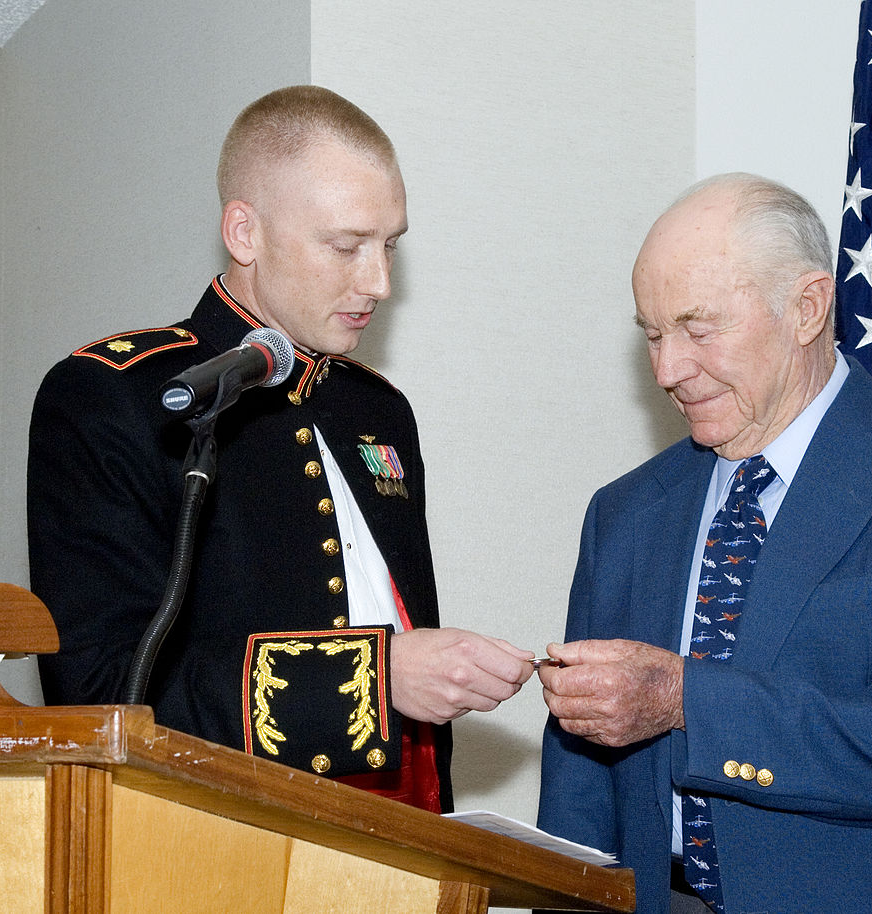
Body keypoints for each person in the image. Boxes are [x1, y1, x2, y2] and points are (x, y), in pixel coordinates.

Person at [535, 173, 872, 912]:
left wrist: (686, 699)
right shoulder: (625, 511)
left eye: (698, 327)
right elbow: (582, 775)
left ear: (807, 308)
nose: (667, 370)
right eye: (652, 333)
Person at [28, 85, 533, 813]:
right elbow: (101, 692)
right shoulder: (115, 396)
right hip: (217, 844)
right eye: (346, 245)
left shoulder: (378, 410)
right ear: (245, 234)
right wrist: (374, 680)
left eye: (388, 246)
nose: (380, 282)